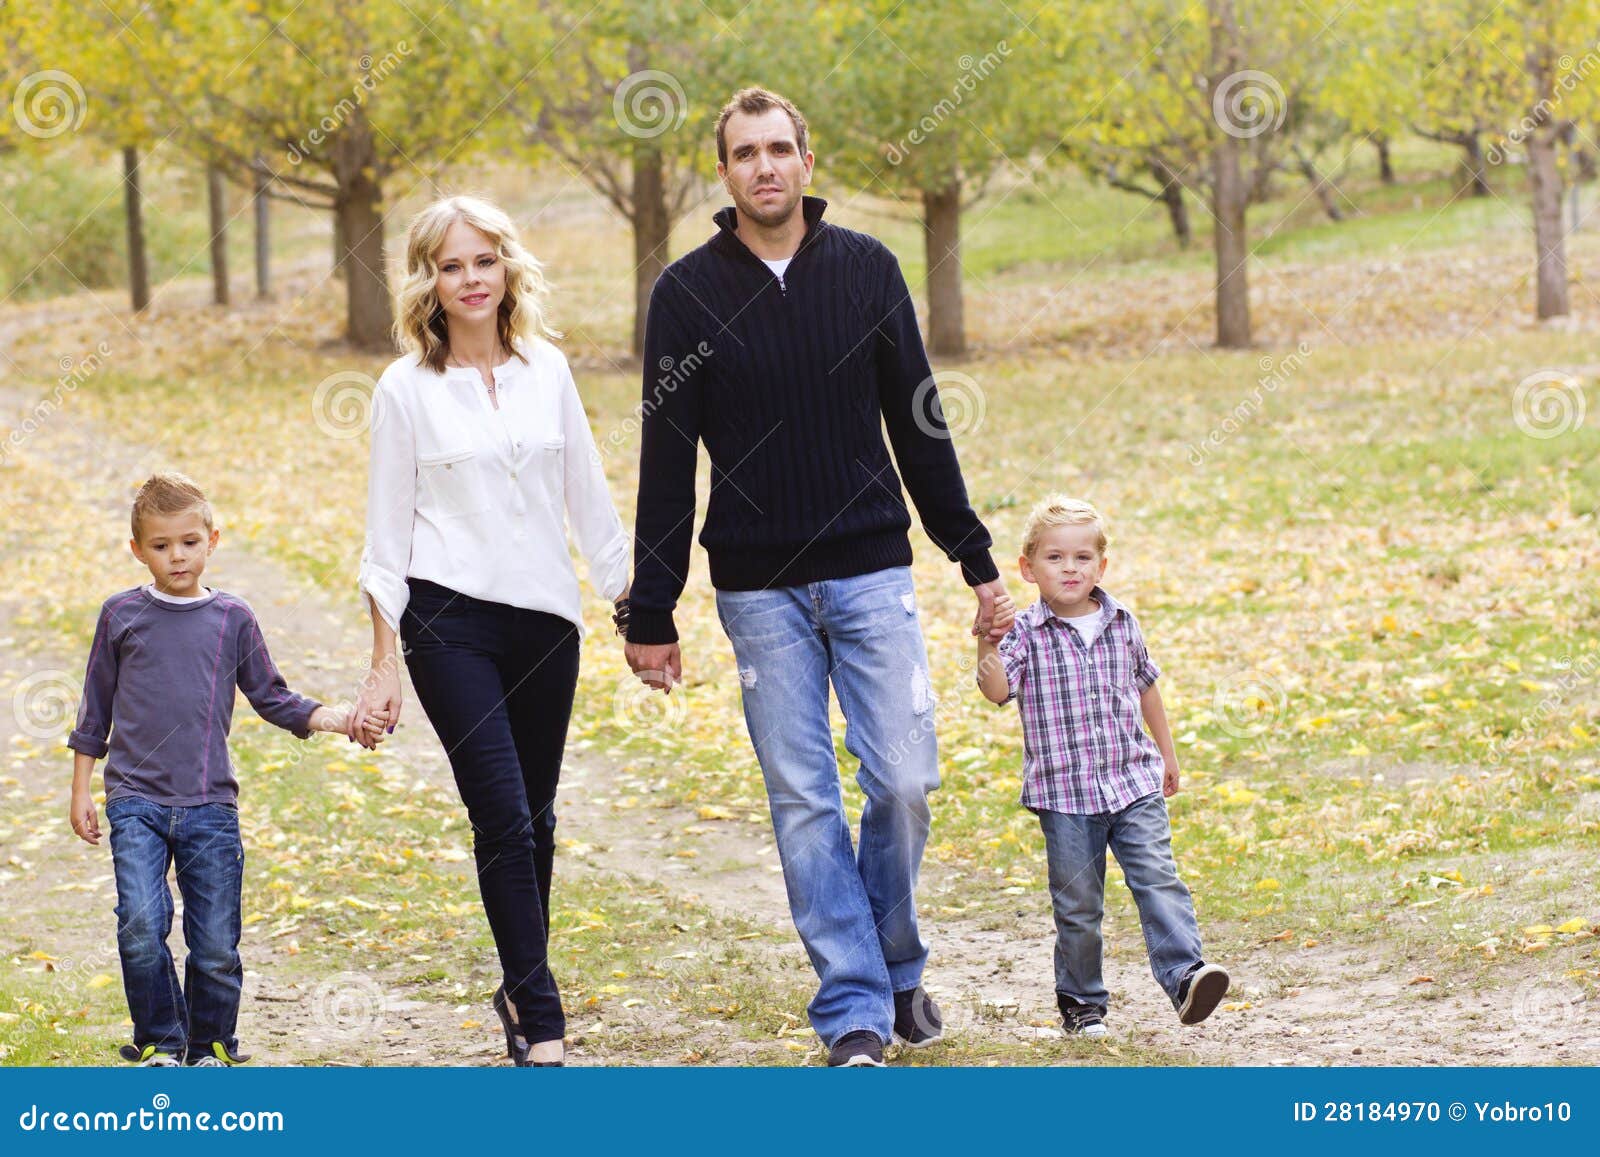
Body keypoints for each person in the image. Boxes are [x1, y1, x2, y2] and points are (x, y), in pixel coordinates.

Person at [624, 87, 1009, 1067]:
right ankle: (853, 1006)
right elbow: (667, 460)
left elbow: (920, 420)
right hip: (756, 588)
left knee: (905, 779)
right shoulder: (686, 293)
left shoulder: (867, 270)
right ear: (724, 172)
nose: (764, 166)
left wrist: (973, 557)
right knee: (802, 795)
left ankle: (896, 963)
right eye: (745, 152)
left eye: (779, 149)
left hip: (871, 566)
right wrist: (654, 604)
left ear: (807, 160)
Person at [351, 195, 631, 1067]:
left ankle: (517, 982)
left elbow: (588, 493)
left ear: (508, 267)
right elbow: (385, 535)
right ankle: (542, 1020)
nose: (470, 279)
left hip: (546, 620)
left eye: (483, 260)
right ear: (426, 283)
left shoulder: (548, 369)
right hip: (447, 620)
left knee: (537, 816)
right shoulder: (404, 389)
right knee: (502, 813)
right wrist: (383, 660)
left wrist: (634, 608)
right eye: (449, 265)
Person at [67, 472, 383, 1067]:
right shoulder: (121, 616)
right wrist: (82, 791)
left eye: (189, 541)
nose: (176, 556)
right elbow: (94, 710)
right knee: (140, 926)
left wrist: (339, 718)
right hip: (134, 800)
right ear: (138, 550)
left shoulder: (232, 618)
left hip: (210, 805)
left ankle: (210, 1046)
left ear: (213, 539)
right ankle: (159, 1039)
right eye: (160, 546)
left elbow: (273, 696)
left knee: (213, 944)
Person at [976, 495, 1229, 1037]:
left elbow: (1147, 686)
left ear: (1102, 565)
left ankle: (1185, 975)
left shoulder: (1121, 621)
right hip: (1065, 796)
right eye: (1055, 558)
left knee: (1159, 880)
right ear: (1027, 568)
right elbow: (996, 690)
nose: (1071, 568)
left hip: (1132, 782)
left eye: (1083, 558)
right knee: (1079, 907)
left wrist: (1167, 753)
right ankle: (1082, 1003)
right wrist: (986, 641)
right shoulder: (1025, 632)